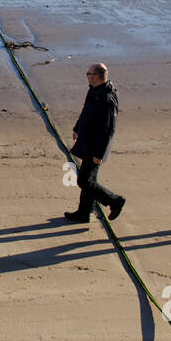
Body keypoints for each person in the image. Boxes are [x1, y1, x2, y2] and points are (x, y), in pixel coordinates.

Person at [65, 63, 124, 223]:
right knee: (89, 179)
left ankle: (114, 201)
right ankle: (84, 212)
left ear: (96, 76)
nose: (87, 76)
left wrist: (100, 154)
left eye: (88, 73)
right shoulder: (94, 90)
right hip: (88, 141)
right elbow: (86, 111)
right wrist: (77, 127)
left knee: (84, 180)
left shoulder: (107, 99)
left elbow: (108, 130)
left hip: (95, 146)